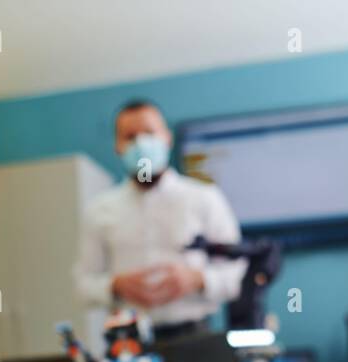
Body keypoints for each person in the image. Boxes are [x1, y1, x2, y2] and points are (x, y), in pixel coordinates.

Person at [74, 98, 246, 341]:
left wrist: (197, 279)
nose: (141, 143)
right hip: (128, 344)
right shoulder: (98, 211)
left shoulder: (205, 198)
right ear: (118, 146)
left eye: (149, 132)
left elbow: (238, 273)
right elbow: (82, 286)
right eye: (131, 136)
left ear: (166, 137)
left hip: (194, 339)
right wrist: (115, 285)